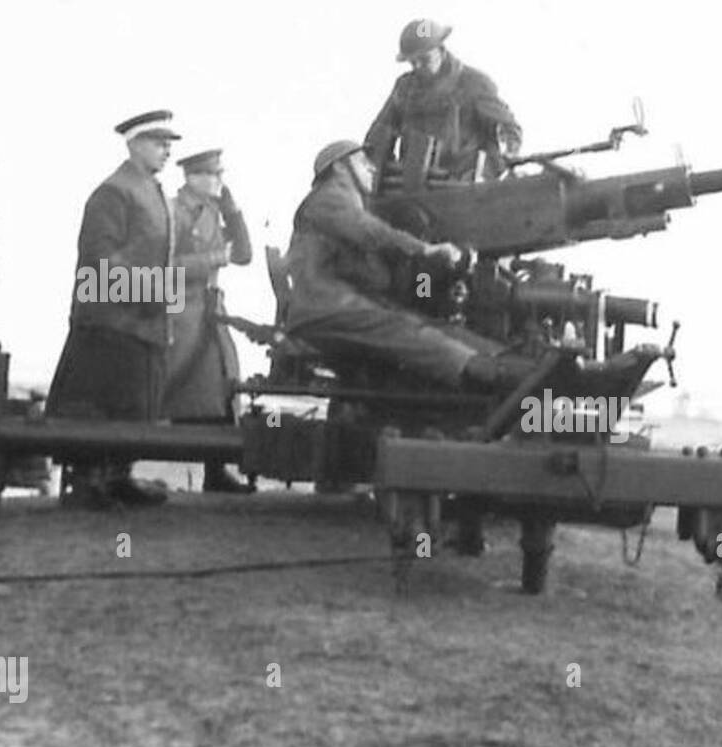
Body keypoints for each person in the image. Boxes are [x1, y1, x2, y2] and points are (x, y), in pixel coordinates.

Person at [285, 140, 535, 391]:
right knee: (401, 329)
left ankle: (501, 359)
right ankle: (485, 370)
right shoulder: (330, 197)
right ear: (340, 167)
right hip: (324, 305)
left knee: (420, 324)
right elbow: (370, 232)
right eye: (362, 162)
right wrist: (425, 250)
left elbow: (386, 276)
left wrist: (426, 277)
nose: (372, 169)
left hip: (339, 301)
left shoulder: (350, 204)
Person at [46, 110, 182, 508]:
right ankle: (86, 483)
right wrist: (152, 296)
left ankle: (117, 475)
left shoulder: (152, 192)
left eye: (169, 143)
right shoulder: (114, 192)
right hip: (110, 324)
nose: (167, 150)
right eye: (159, 142)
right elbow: (98, 264)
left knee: (134, 405)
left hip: (143, 324)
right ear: (133, 143)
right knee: (98, 405)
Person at [164, 148, 254, 493]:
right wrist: (216, 257)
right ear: (192, 178)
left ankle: (215, 472)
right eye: (211, 175)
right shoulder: (174, 212)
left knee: (220, 388)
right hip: (183, 309)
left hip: (209, 310)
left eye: (220, 175)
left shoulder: (215, 210)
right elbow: (166, 267)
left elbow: (243, 256)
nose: (217, 181)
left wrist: (232, 210)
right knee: (183, 386)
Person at [364, 18, 523, 181]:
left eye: (424, 59)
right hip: (412, 185)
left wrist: (493, 169)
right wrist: (382, 169)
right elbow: (379, 134)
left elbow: (508, 131)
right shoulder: (404, 88)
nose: (417, 66)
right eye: (412, 62)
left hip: (463, 187)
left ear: (440, 50)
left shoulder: (474, 83)